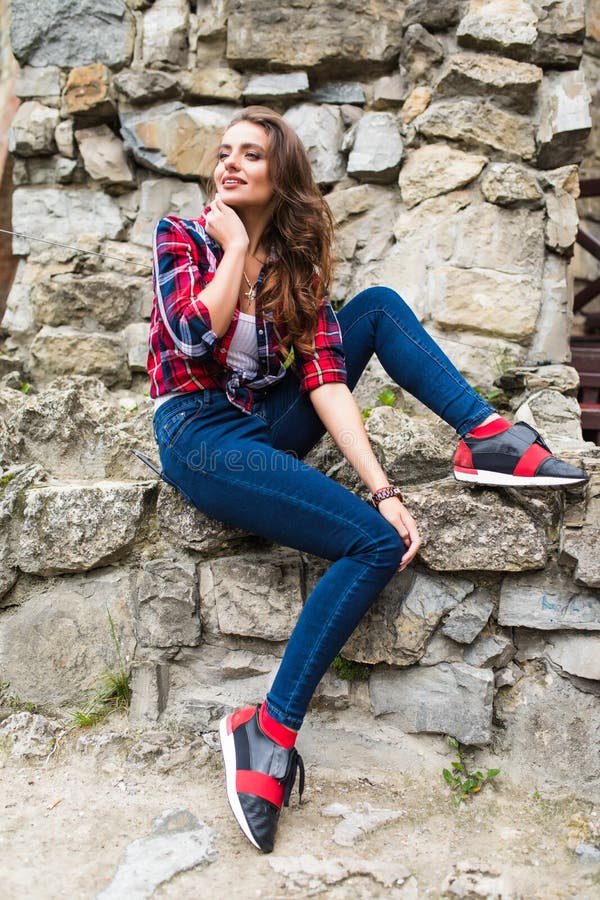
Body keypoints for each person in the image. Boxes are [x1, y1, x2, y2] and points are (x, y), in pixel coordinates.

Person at [147, 106, 587, 853]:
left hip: (265, 426)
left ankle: (485, 438)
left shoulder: (295, 265)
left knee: (376, 309)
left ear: (279, 171)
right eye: (223, 153)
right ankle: (266, 731)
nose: (229, 164)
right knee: (372, 545)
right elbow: (191, 334)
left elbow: (324, 380)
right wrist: (233, 247)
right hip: (200, 433)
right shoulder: (184, 237)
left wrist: (384, 487)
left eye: (250, 155)